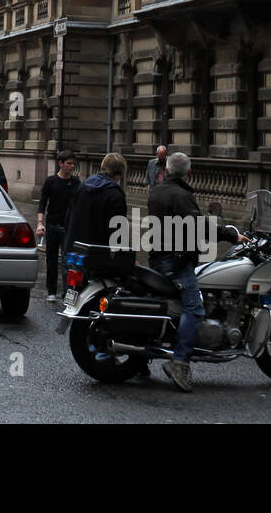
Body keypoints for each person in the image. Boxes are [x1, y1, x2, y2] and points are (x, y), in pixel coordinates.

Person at [148, 152, 245, 392]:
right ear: (188, 172)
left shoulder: (158, 191)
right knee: (195, 307)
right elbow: (198, 226)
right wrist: (231, 235)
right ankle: (179, 362)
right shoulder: (181, 196)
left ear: (167, 170)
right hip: (175, 261)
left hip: (160, 257)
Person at [35, 150, 79, 302]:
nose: (72, 166)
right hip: (52, 225)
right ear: (60, 164)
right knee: (51, 261)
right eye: (69, 163)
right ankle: (51, 291)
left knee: (69, 262)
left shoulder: (76, 182)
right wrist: (40, 223)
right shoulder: (51, 181)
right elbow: (42, 204)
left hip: (68, 228)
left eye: (73, 163)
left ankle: (68, 294)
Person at [64, 152, 128, 252]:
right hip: (97, 254)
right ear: (119, 174)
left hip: (74, 250)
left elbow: (68, 218)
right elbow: (118, 233)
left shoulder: (82, 187)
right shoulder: (115, 195)